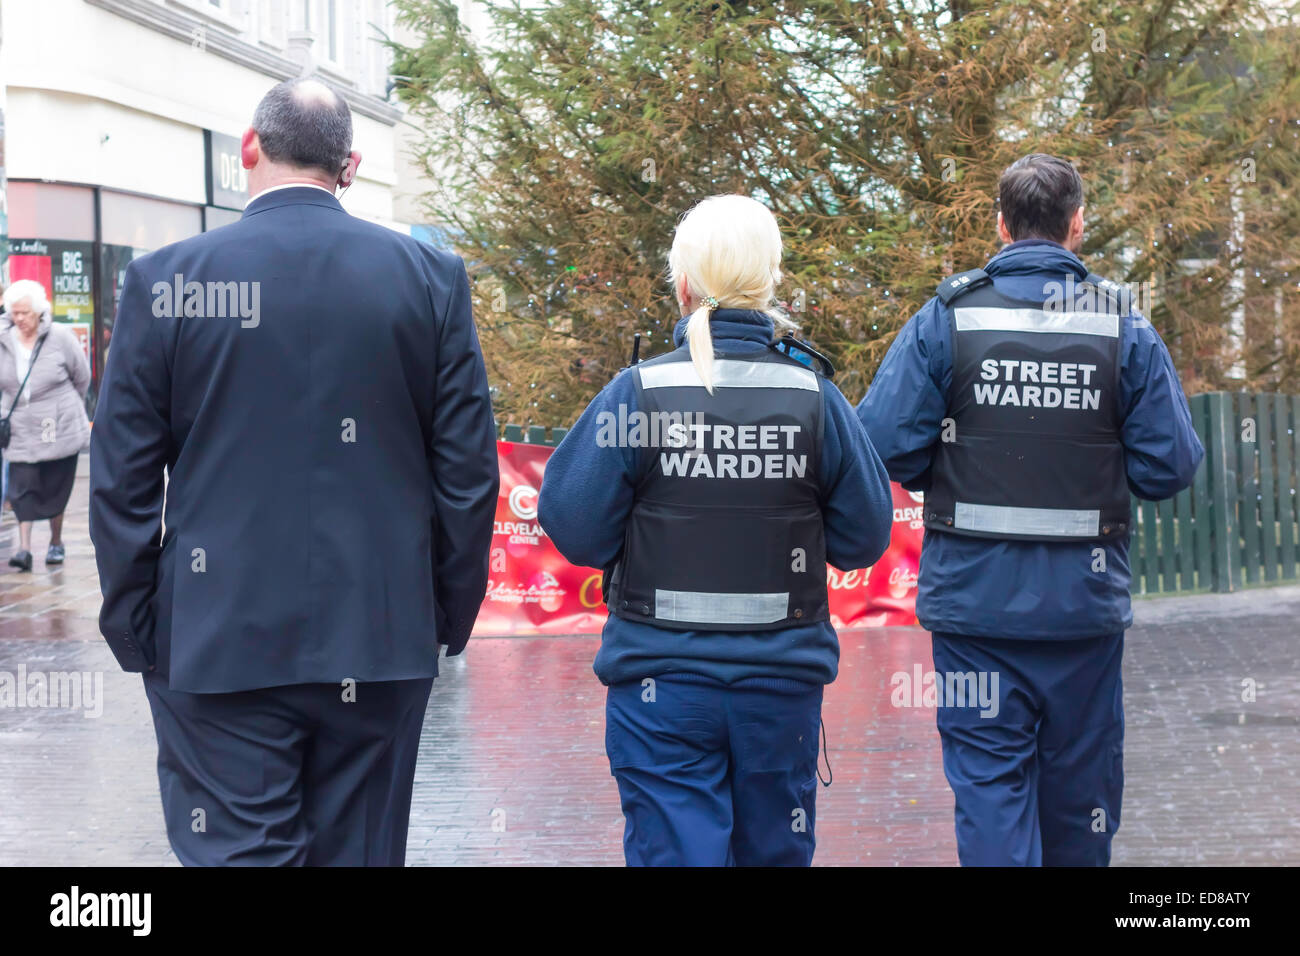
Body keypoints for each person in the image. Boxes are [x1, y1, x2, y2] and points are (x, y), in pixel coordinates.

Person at [89, 78, 499, 866]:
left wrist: (137, 621)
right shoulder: (429, 279)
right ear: (349, 166)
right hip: (379, 632)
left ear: (251, 148)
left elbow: (122, 478)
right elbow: (466, 475)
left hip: (215, 634)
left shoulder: (166, 282)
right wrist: (444, 613)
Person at [858, 153, 1205, 866]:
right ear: (1077, 224)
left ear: (1001, 224)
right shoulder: (1120, 324)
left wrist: (944, 465)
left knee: (989, 790)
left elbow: (881, 446)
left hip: (975, 609)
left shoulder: (947, 316)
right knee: (1082, 800)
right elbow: (1169, 465)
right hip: (1081, 611)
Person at [538, 194, 894, 866]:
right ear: (770, 282)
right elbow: (865, 538)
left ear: (684, 287)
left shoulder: (636, 394)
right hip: (781, 691)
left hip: (661, 690)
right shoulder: (816, 399)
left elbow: (575, 527)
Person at [0, 279, 91, 571]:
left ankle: (55, 541)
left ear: (39, 311)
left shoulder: (61, 337)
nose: (20, 319)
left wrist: (65, 407)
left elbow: (82, 376)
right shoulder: (3, 339)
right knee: (20, 487)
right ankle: (24, 549)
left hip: (56, 424)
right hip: (20, 426)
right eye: (15, 312)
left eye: (25, 312)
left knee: (55, 487)